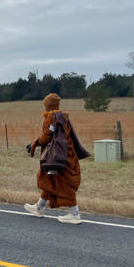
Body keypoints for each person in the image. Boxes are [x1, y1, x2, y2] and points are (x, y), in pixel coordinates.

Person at [24, 93, 84, 224]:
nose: (43, 106)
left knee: (64, 183)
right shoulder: (62, 117)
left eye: (45, 104)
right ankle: (39, 207)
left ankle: (74, 214)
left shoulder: (51, 117)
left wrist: (33, 143)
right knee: (50, 179)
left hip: (58, 156)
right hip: (66, 154)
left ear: (48, 105)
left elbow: (47, 137)